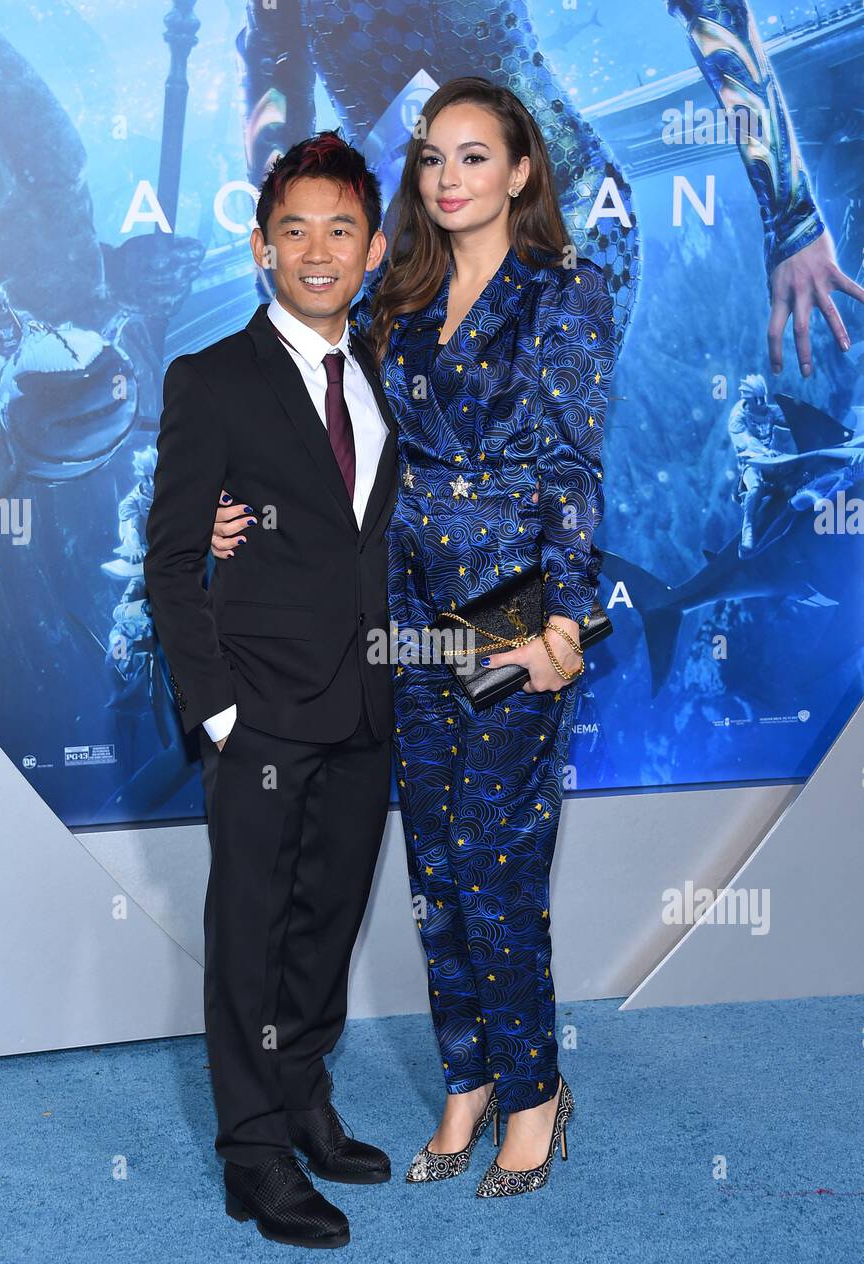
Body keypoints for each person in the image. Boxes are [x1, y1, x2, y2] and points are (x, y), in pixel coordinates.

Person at [213, 78, 618, 1197]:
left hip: (514, 611)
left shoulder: (565, 292)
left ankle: (534, 1089)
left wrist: (564, 620)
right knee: (436, 861)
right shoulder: (399, 293)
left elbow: (577, 470)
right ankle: (467, 1077)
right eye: (434, 157)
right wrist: (229, 502)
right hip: (406, 616)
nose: (448, 177)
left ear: (520, 172)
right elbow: (317, 423)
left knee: (495, 860)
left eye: (474, 157)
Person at [143, 133, 398, 1249]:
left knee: (326, 923)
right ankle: (251, 1150)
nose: (316, 250)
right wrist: (219, 712)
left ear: (374, 248)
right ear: (259, 247)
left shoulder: (392, 367)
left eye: (339, 229)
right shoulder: (210, 379)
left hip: (369, 705)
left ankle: (304, 1100)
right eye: (293, 228)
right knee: (248, 932)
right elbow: (168, 561)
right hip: (259, 710)